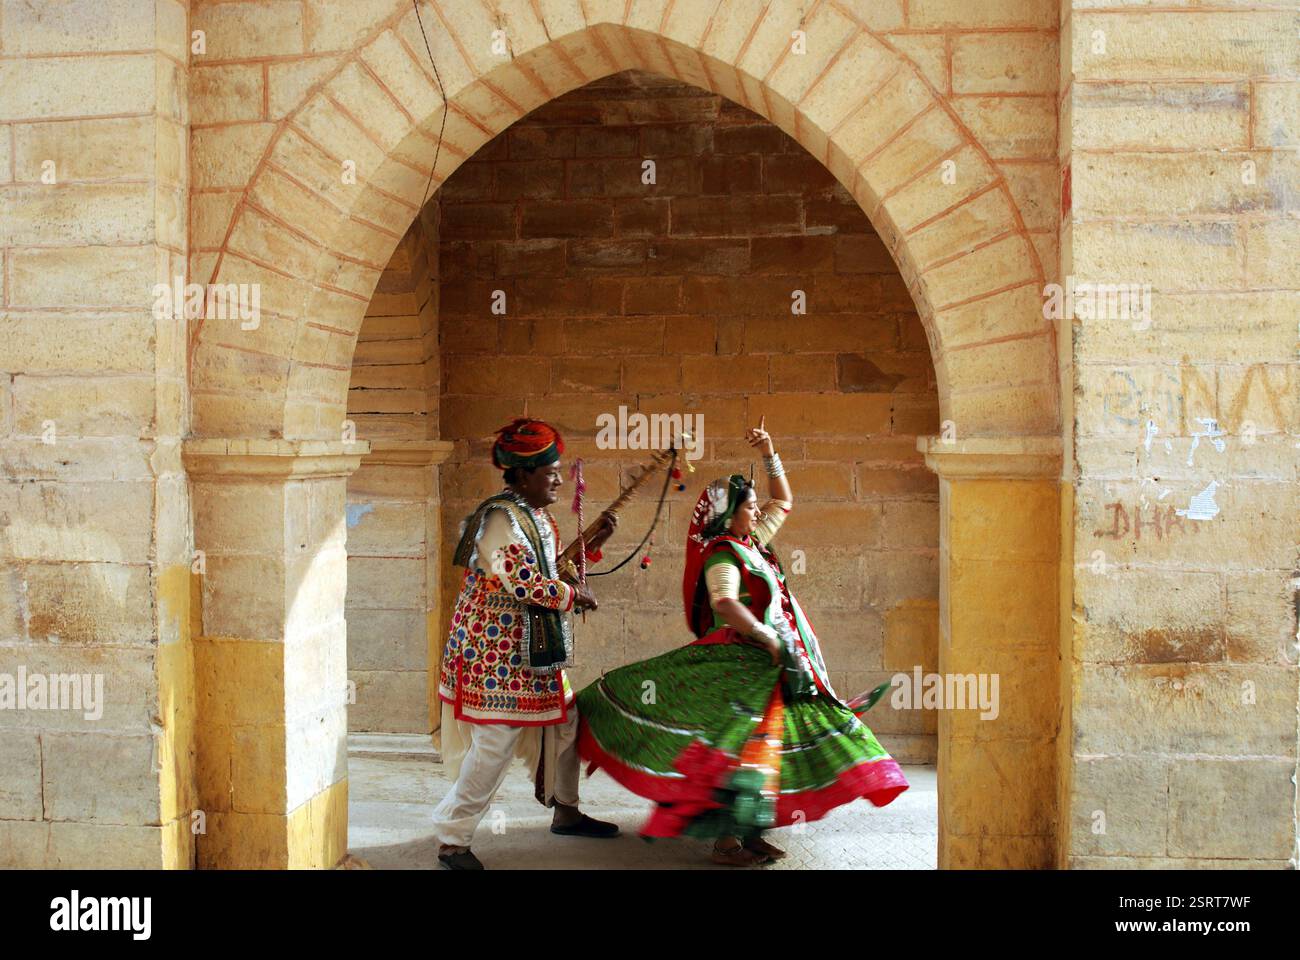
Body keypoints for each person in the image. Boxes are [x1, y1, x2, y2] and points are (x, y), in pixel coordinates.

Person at [575, 417, 909, 866]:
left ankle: (750, 834)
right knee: (734, 751)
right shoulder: (723, 553)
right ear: (726, 514)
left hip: (777, 663)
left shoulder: (752, 542)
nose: (757, 511)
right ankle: (725, 841)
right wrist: (767, 634)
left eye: (753, 506)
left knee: (768, 752)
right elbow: (726, 603)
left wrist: (768, 451)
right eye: (749, 506)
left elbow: (784, 500)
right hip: (738, 664)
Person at [432, 417, 621, 870]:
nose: (559, 478)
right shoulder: (497, 519)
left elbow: (548, 570)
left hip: (530, 656)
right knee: (494, 746)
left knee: (568, 721)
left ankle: (567, 811)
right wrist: (574, 595)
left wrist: (591, 547)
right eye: (549, 471)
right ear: (521, 473)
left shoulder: (537, 516)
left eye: (558, 470)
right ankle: (452, 841)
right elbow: (523, 583)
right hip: (490, 659)